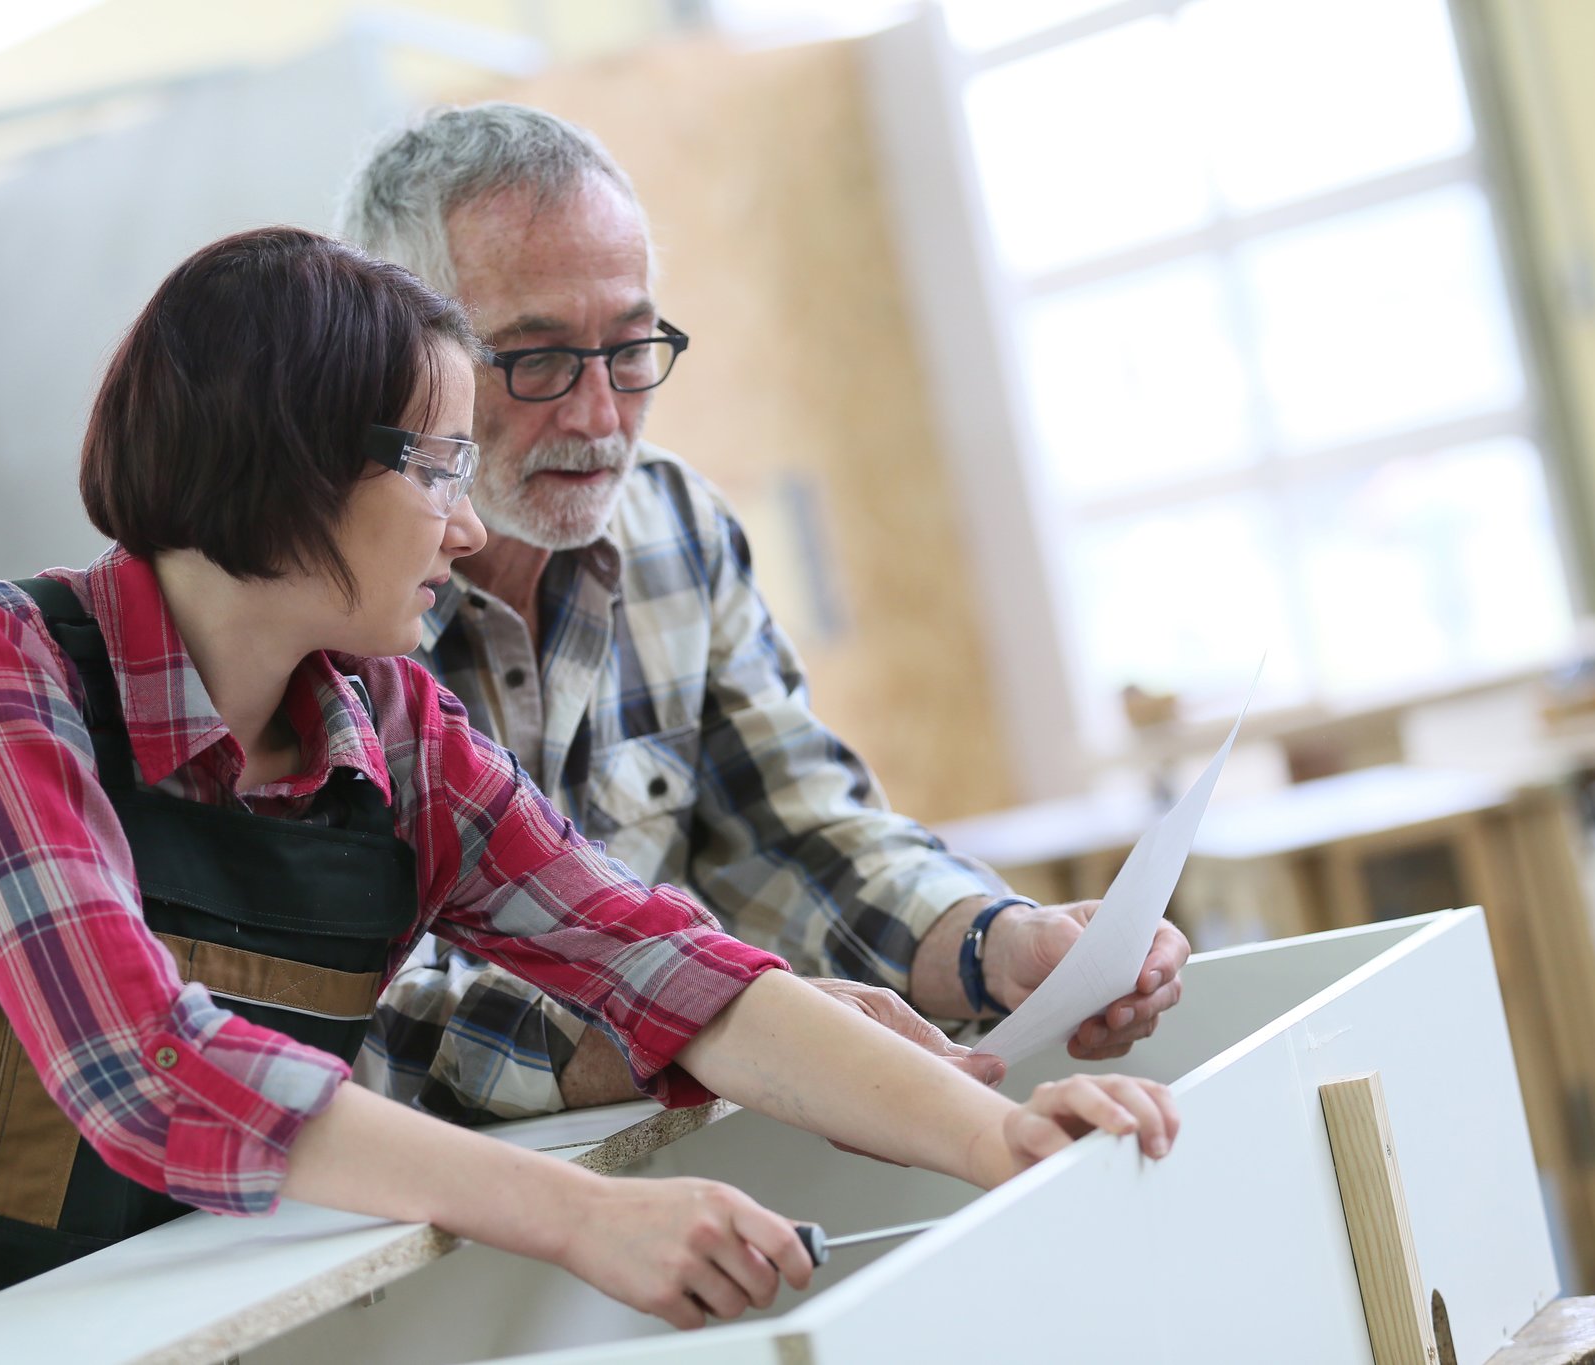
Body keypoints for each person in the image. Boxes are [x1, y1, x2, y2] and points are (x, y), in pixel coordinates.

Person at [0, 227, 1175, 1365]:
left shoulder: (389, 724)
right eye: (434, 463)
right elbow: (141, 1062)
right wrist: (585, 1218)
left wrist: (1001, 1135)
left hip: (197, 1310)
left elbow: (663, 961)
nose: (469, 518)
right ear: (294, 451)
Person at [337, 104, 1191, 1123]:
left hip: (666, 1161)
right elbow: (355, 1016)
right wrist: (719, 1028)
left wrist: (992, 945)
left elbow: (797, 834)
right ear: (404, 363)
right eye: (537, 360)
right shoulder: (326, 606)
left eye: (629, 346)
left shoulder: (675, 528)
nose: (599, 415)